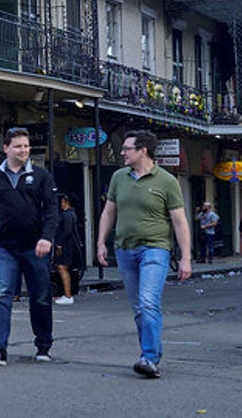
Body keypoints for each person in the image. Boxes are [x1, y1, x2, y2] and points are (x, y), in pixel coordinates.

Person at [95, 129, 191, 379]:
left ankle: (148, 357)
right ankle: (152, 351)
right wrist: (100, 242)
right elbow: (108, 212)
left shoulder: (167, 181)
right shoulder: (119, 177)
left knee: (148, 301)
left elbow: (180, 222)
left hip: (155, 249)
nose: (122, 152)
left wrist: (186, 257)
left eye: (127, 148)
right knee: (139, 307)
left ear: (143, 151)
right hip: (125, 249)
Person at [0, 127, 59, 366]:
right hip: (4, 246)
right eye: (18, 146)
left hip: (35, 246)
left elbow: (51, 210)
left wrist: (47, 237)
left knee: (40, 296)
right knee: (0, 294)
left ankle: (43, 345)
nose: (23, 150)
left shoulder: (42, 176)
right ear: (6, 149)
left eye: (26, 146)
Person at [52, 193, 83, 305]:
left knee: (62, 267)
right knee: (63, 268)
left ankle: (67, 294)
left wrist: (59, 244)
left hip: (66, 246)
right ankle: (66, 293)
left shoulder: (67, 215)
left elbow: (67, 231)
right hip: (69, 245)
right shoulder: (71, 214)